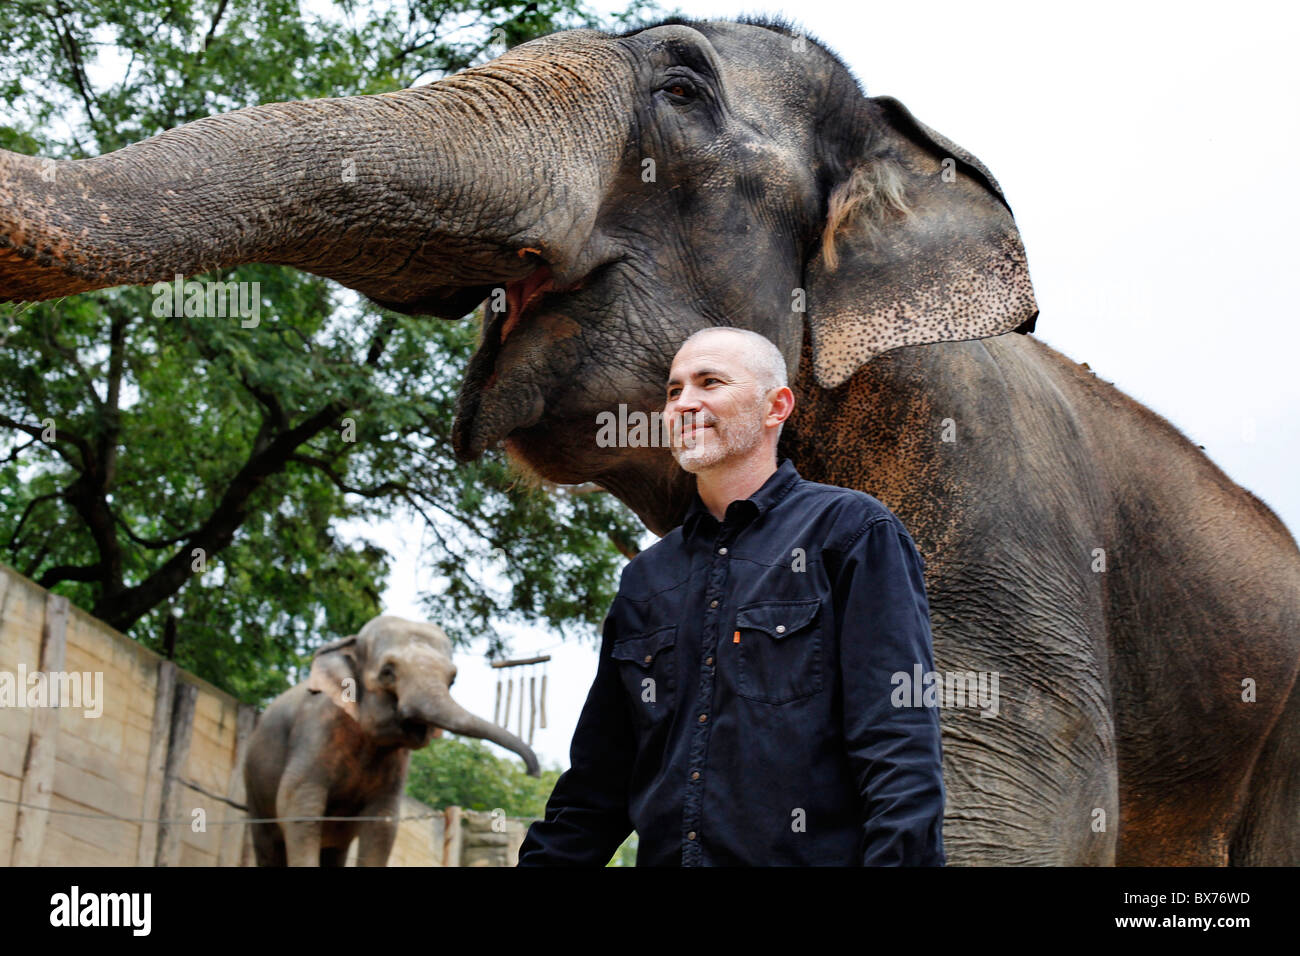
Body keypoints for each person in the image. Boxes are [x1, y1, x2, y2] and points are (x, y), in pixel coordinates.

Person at [517, 327, 946, 866]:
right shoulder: (647, 580)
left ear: (776, 407)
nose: (684, 404)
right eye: (673, 392)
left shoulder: (852, 532)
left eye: (709, 382)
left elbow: (898, 744)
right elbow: (595, 790)